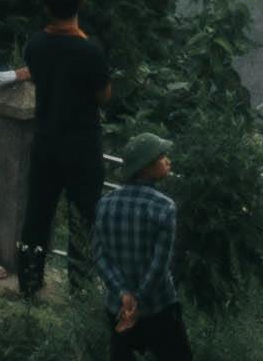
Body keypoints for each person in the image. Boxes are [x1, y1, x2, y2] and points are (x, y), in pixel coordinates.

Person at [15, 0, 115, 290]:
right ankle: (80, 287)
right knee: (83, 219)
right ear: (79, 7)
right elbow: (104, 96)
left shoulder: (35, 45)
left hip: (45, 142)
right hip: (82, 147)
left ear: (47, 9)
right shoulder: (90, 51)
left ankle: (29, 282)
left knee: (37, 214)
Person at [86, 142, 188, 361]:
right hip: (158, 306)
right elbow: (159, 265)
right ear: (145, 168)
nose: (168, 160)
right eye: (161, 156)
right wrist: (139, 300)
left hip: (118, 309)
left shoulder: (105, 203)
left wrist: (124, 294)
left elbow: (98, 253)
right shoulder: (165, 207)